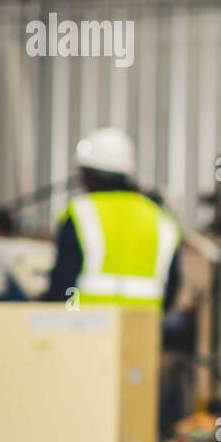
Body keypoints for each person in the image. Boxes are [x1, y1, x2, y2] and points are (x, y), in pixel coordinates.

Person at [43, 128, 181, 310]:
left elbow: (64, 283)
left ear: (89, 175)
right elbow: (171, 289)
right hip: (144, 332)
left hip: (85, 329)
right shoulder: (162, 219)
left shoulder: (81, 212)